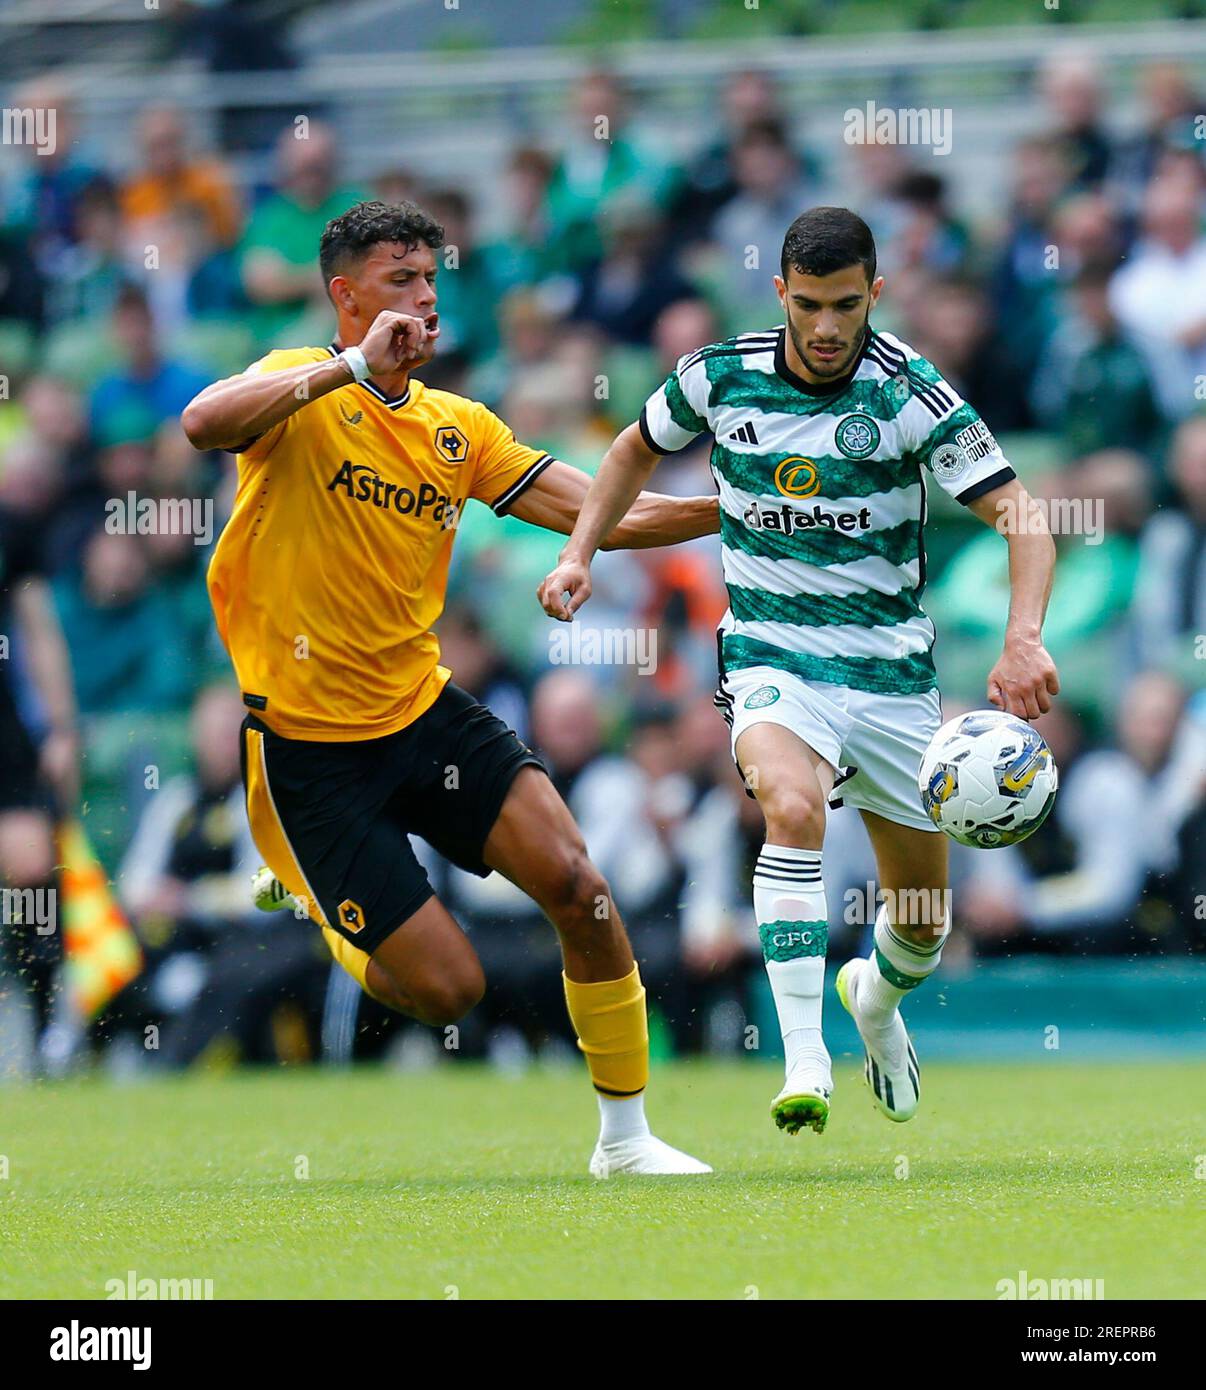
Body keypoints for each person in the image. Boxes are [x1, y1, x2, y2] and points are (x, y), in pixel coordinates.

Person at [183, 200, 717, 1177]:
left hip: (424, 713)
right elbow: (200, 423)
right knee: (448, 989)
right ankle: (312, 900)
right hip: (308, 749)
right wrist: (346, 369)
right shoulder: (293, 391)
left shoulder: (456, 428)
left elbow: (603, 509)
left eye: (432, 281)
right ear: (344, 296)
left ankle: (627, 1140)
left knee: (580, 885)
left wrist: (739, 507)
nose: (425, 302)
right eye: (401, 281)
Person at [539, 206, 1060, 1136]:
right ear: (780, 292)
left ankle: (876, 1000)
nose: (827, 328)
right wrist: (584, 552)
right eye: (811, 305)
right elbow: (628, 451)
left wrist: (1024, 639)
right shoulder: (717, 375)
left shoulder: (910, 393)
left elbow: (1023, 515)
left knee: (924, 923)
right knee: (790, 805)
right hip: (774, 654)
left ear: (876, 296)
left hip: (894, 676)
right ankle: (805, 1052)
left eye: (847, 306)